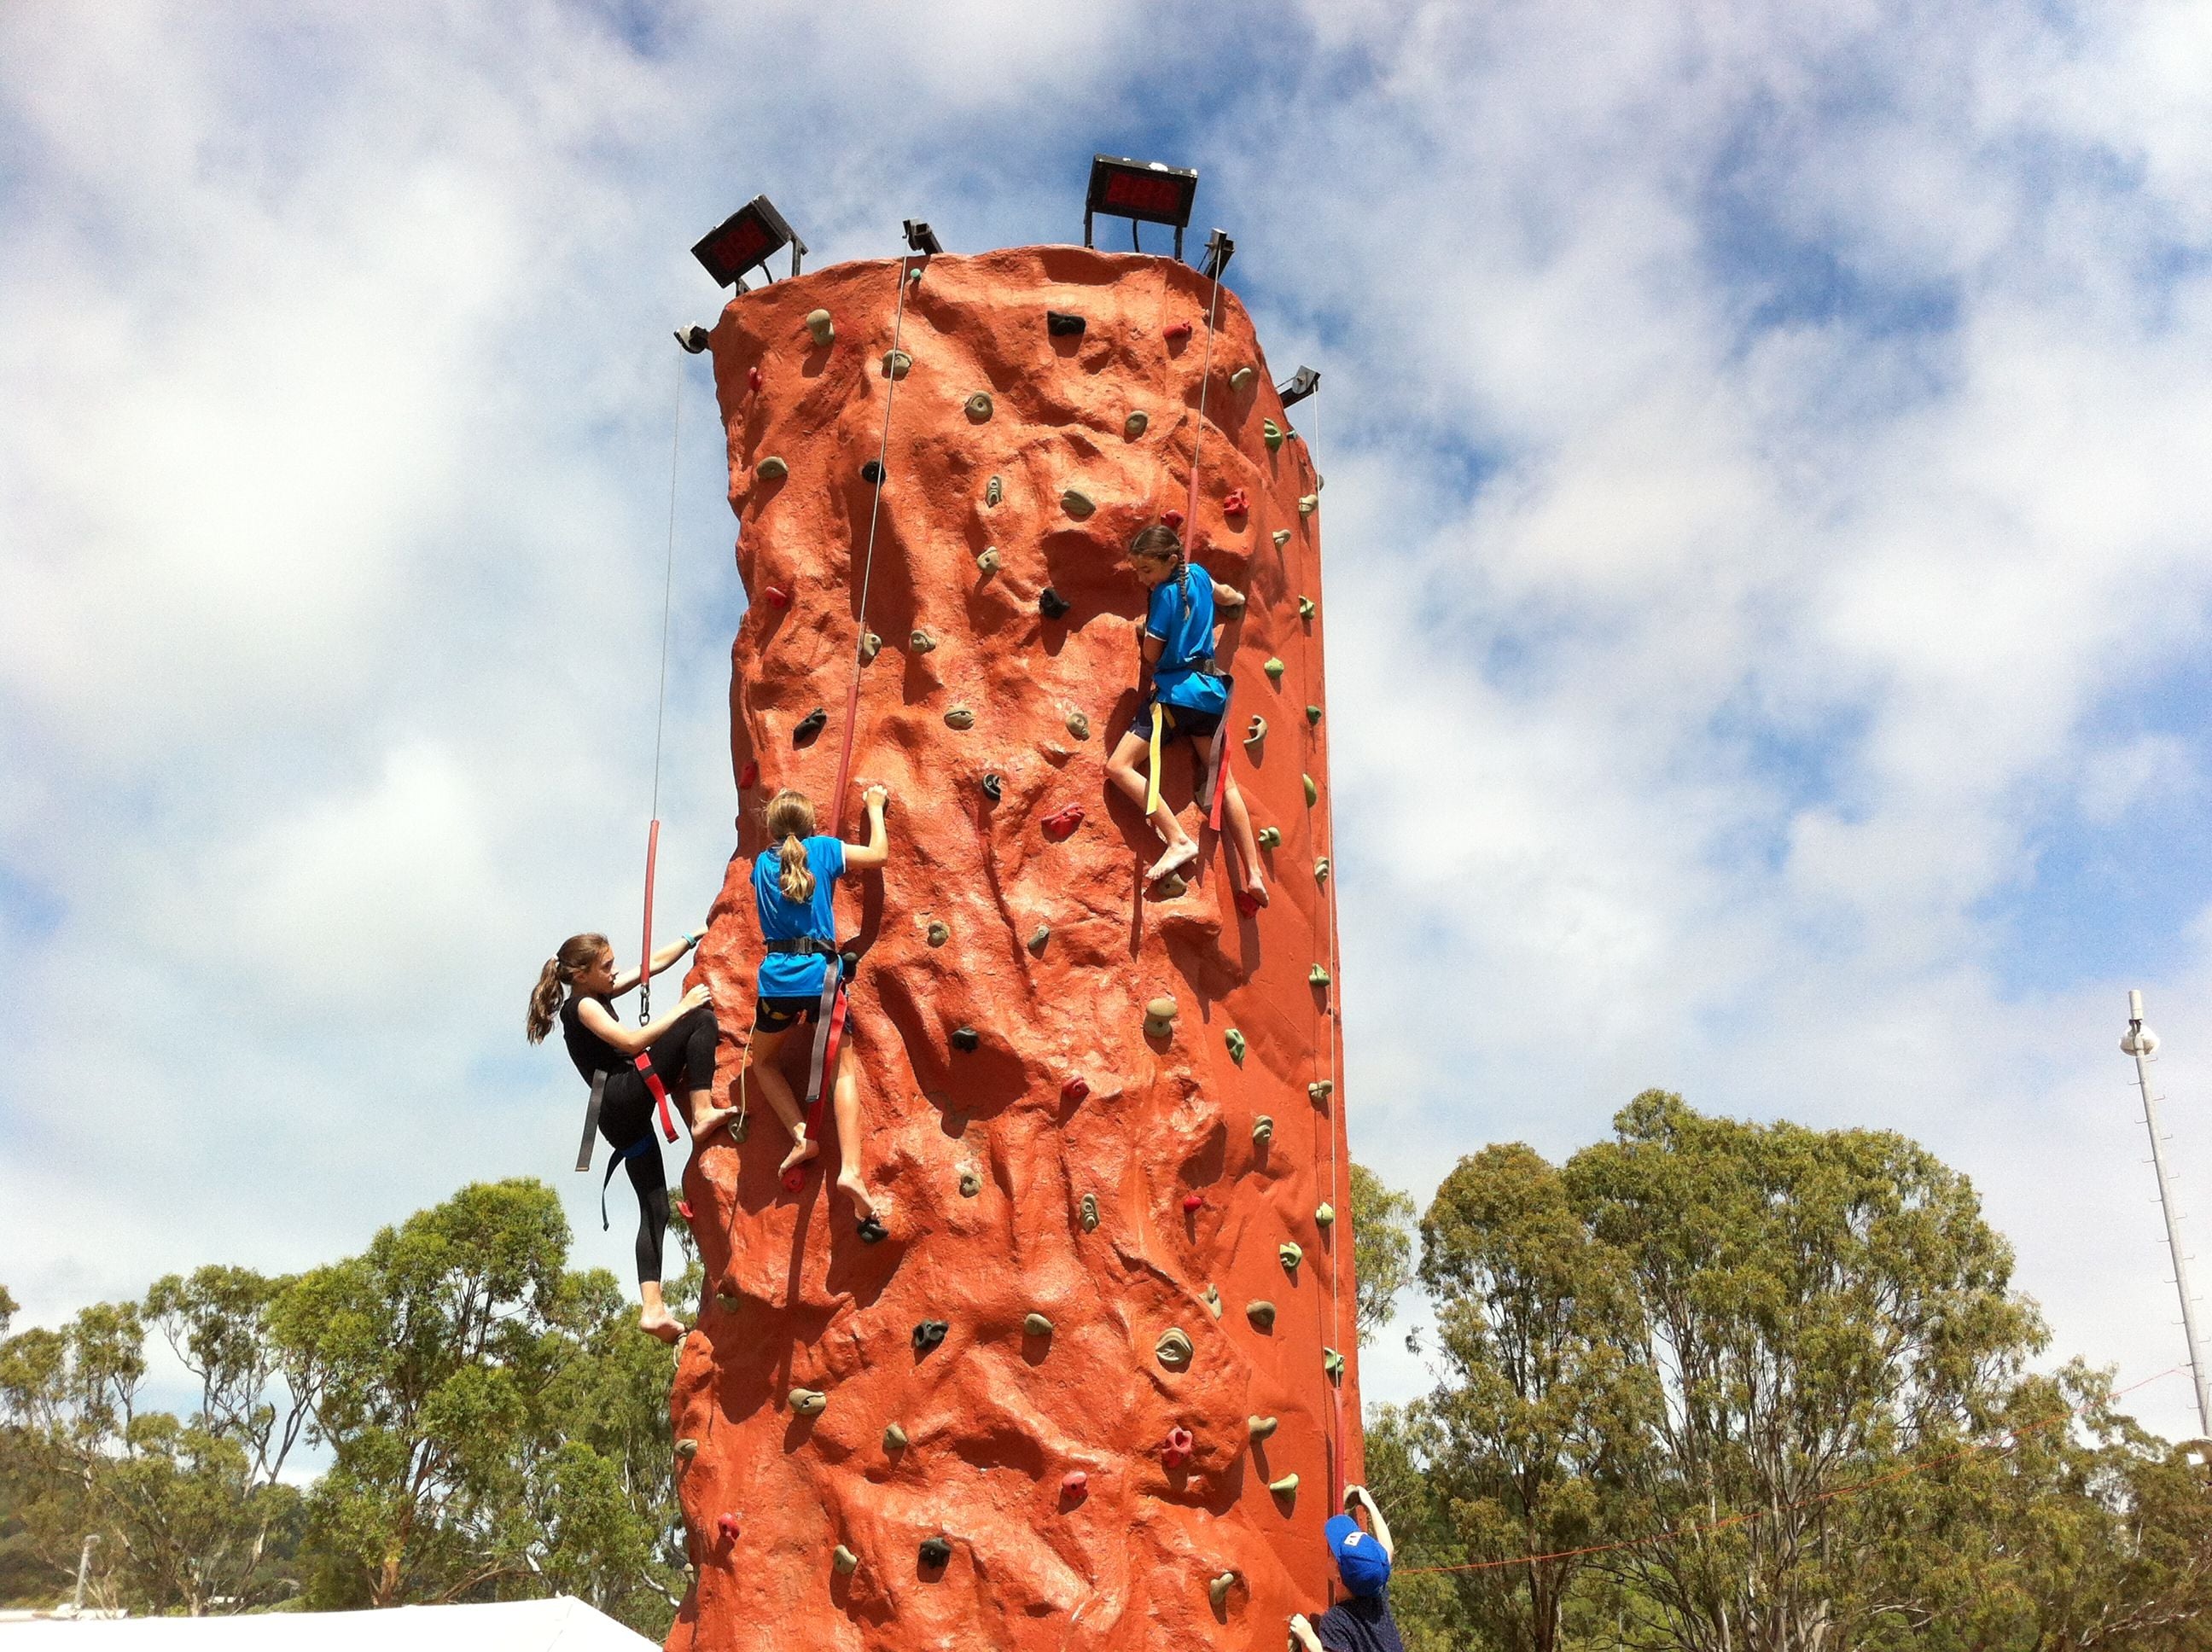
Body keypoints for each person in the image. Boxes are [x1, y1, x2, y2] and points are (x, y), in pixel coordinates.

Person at [527, 929, 733, 1342]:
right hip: (621, 1095)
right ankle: (702, 1111)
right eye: (606, 966)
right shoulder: (584, 1006)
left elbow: (648, 967)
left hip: (616, 1113)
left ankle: (652, 1310)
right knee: (701, 1020)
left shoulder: (595, 990)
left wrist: (692, 937)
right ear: (581, 974)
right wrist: (683, 1007)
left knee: (655, 1208)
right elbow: (632, 1040)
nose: (614, 970)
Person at [742, 783, 890, 1238]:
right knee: (842, 1073)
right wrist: (874, 806)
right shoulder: (823, 850)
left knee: (762, 1063)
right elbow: (878, 855)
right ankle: (851, 1171)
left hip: (778, 983)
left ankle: (800, 1133)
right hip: (822, 979)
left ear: (771, 827)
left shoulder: (760, 866)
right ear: (809, 824)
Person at [1102, 524, 1266, 905]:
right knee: (1225, 785)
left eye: (1147, 570)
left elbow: (1152, 655)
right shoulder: (1200, 575)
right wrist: (1237, 600)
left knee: (1118, 767)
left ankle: (1177, 839)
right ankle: (1254, 874)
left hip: (1176, 696)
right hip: (1210, 697)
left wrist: (1146, 632)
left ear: (1171, 560)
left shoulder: (1164, 596)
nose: (1142, 578)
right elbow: (1228, 596)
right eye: (1138, 571)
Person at [1289, 1485, 1405, 1652]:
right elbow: (1388, 1550)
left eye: (1333, 1554)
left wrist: (1309, 1638)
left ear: (1338, 1575)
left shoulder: (1337, 1620)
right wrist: (1369, 1503)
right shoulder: (1376, 1597)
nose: (1330, 1552)